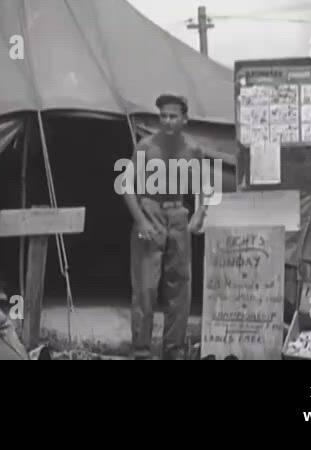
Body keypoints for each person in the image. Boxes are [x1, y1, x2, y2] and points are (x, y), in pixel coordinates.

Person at [124, 93, 207, 360]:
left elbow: (204, 186)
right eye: (163, 116)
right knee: (146, 288)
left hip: (178, 216)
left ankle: (173, 351)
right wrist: (141, 221)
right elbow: (126, 187)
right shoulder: (145, 147)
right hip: (150, 213)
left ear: (185, 119)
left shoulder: (193, 149)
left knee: (179, 290)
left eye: (173, 116)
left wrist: (199, 214)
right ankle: (141, 351)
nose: (167, 121)